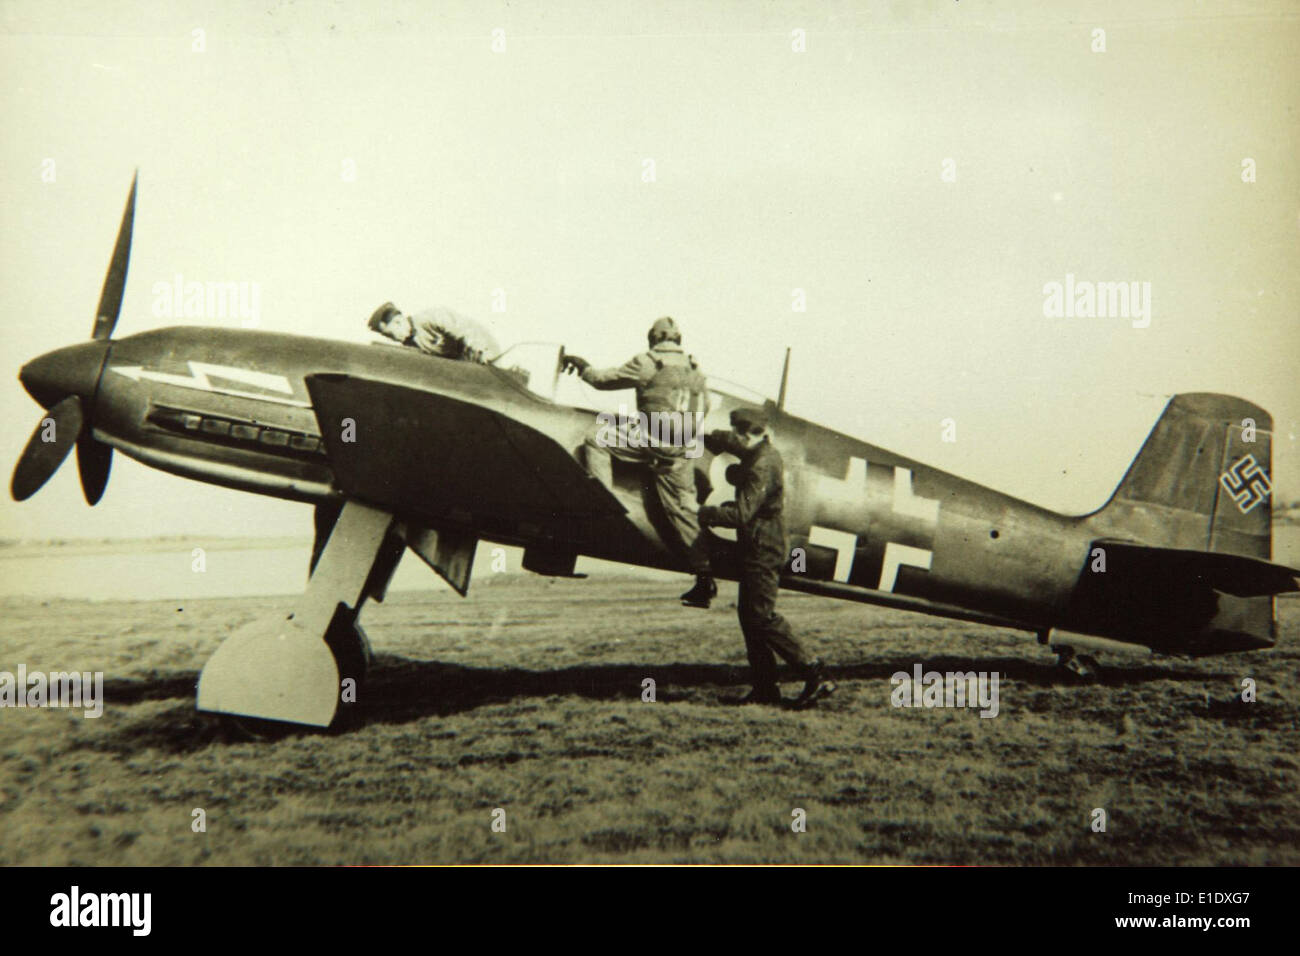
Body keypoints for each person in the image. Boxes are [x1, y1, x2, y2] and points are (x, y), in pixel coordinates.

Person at [562, 317, 716, 608]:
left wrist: (583, 367)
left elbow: (601, 381)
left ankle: (603, 503)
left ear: (653, 338)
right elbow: (705, 406)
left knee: (597, 438)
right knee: (684, 512)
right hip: (683, 448)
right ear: (679, 339)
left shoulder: (648, 362)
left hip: (653, 441)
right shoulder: (695, 369)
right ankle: (704, 575)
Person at [699, 406, 833, 708]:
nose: (731, 436)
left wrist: (703, 514)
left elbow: (741, 514)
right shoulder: (759, 450)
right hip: (756, 545)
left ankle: (815, 672)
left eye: (736, 432)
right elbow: (728, 441)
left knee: (761, 617)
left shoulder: (762, 464)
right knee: (749, 618)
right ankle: (764, 689)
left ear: (748, 433)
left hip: (764, 547)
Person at [368, 302, 500, 363]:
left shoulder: (431, 318)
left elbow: (466, 332)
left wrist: (484, 353)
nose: (393, 340)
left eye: (390, 335)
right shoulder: (410, 345)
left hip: (486, 356)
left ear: (398, 322)